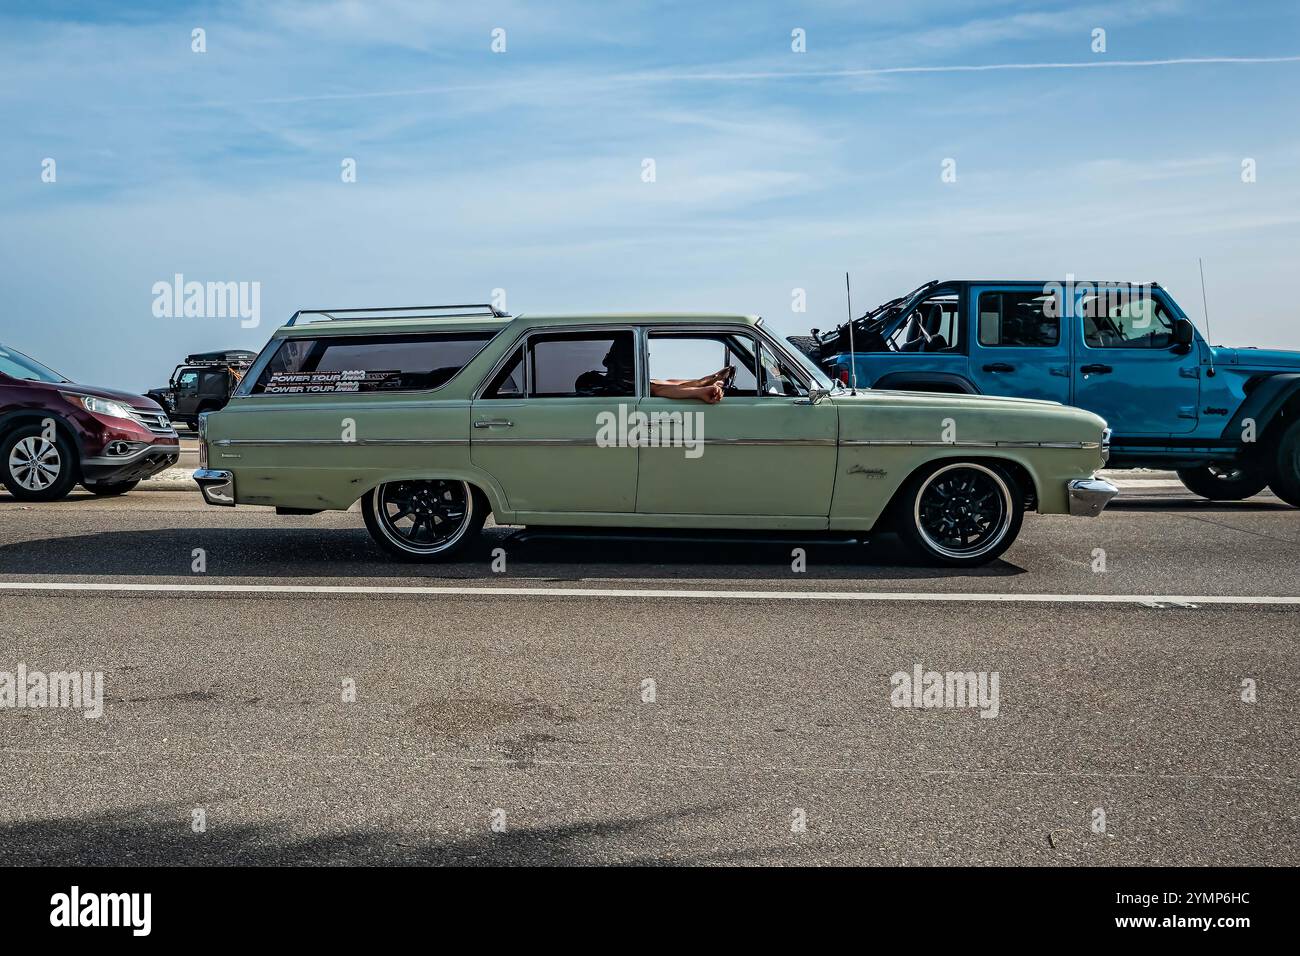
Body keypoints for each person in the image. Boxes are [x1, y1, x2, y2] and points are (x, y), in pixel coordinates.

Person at [575, 340, 730, 403]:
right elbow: (659, 389)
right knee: (654, 387)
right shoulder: (609, 387)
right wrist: (700, 391)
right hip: (611, 396)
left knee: (658, 384)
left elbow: (665, 384)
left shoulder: (623, 383)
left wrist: (705, 381)